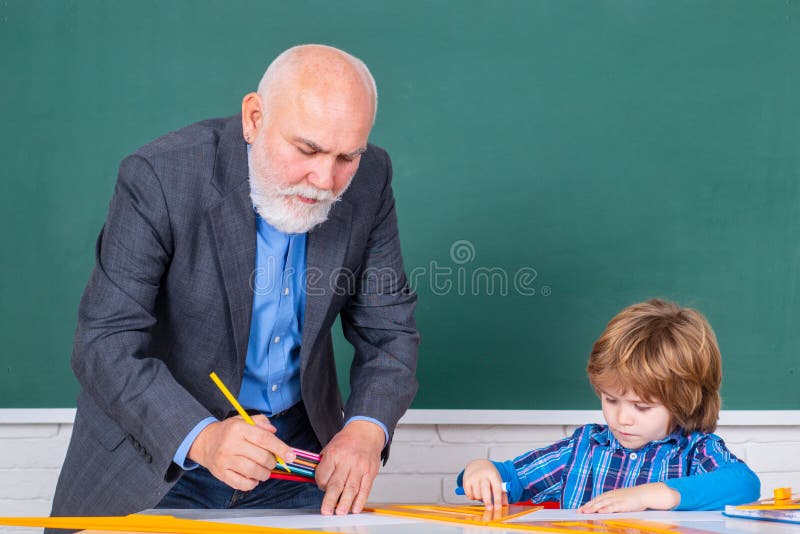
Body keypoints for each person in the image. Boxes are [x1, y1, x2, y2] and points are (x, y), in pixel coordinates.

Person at [50, 44, 419, 521]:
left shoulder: (371, 179)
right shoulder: (160, 177)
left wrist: (366, 430)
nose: (325, 180)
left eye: (347, 156)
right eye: (307, 150)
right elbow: (104, 341)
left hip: (296, 462)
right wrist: (203, 438)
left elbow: (388, 332)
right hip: (159, 454)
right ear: (254, 118)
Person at [458, 299, 760, 512]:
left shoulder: (695, 451)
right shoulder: (583, 448)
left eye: (642, 407)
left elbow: (745, 485)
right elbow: (511, 478)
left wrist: (651, 495)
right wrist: (481, 470)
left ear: (683, 402)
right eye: (610, 399)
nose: (622, 418)